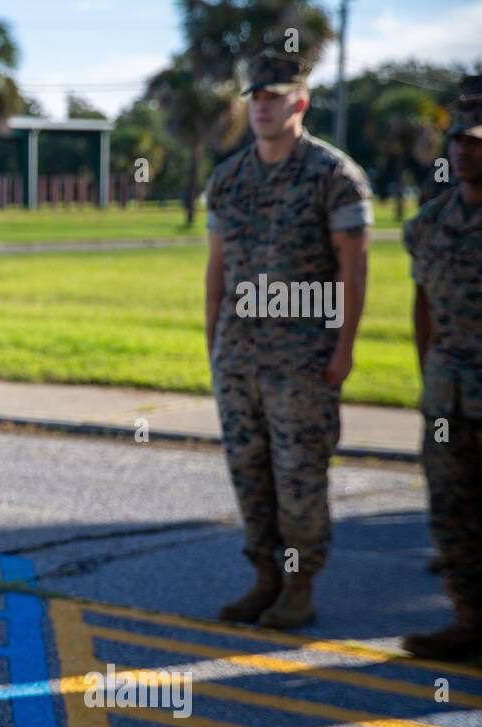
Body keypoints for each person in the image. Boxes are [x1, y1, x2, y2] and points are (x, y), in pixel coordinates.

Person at [204, 51, 372, 629]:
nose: (263, 108)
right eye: (256, 98)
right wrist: (213, 347)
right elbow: (216, 271)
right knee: (249, 471)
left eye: (274, 98)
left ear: (300, 102)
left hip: (303, 359)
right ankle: (265, 579)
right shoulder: (228, 179)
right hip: (239, 357)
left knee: (299, 475)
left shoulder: (333, 175)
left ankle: (299, 586)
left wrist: (343, 350)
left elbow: (354, 270)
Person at [402, 75, 482, 668]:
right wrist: (426, 374)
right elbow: (423, 304)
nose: (464, 149)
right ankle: (467, 620)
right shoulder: (429, 223)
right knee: (452, 513)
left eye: (480, 140)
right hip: (445, 399)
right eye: (459, 139)